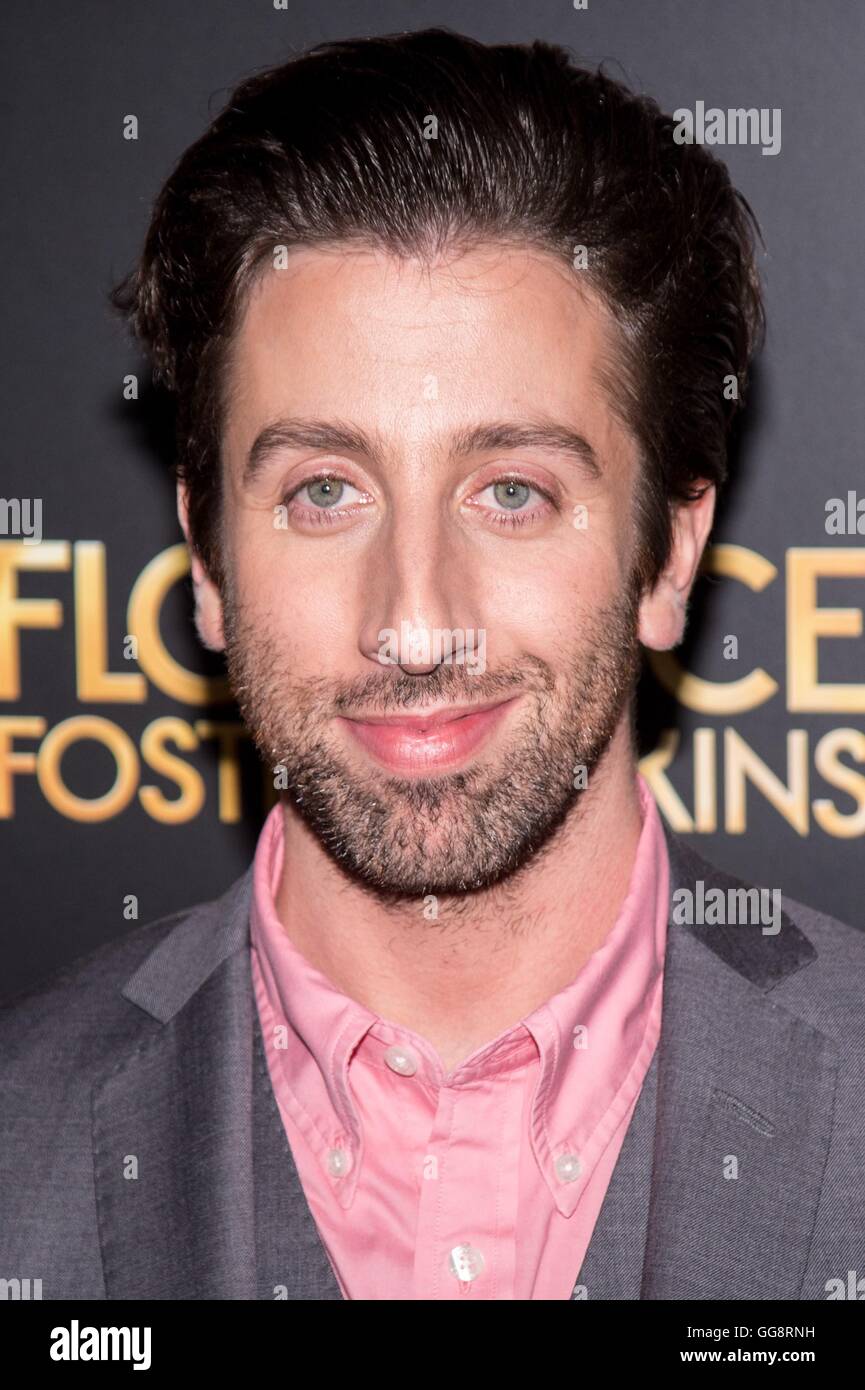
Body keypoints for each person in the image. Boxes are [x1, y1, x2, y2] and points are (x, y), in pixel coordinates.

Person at [1, 27, 862, 1301]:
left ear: (669, 555)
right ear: (204, 557)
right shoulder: (23, 1146)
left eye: (510, 490)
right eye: (324, 491)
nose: (412, 622)